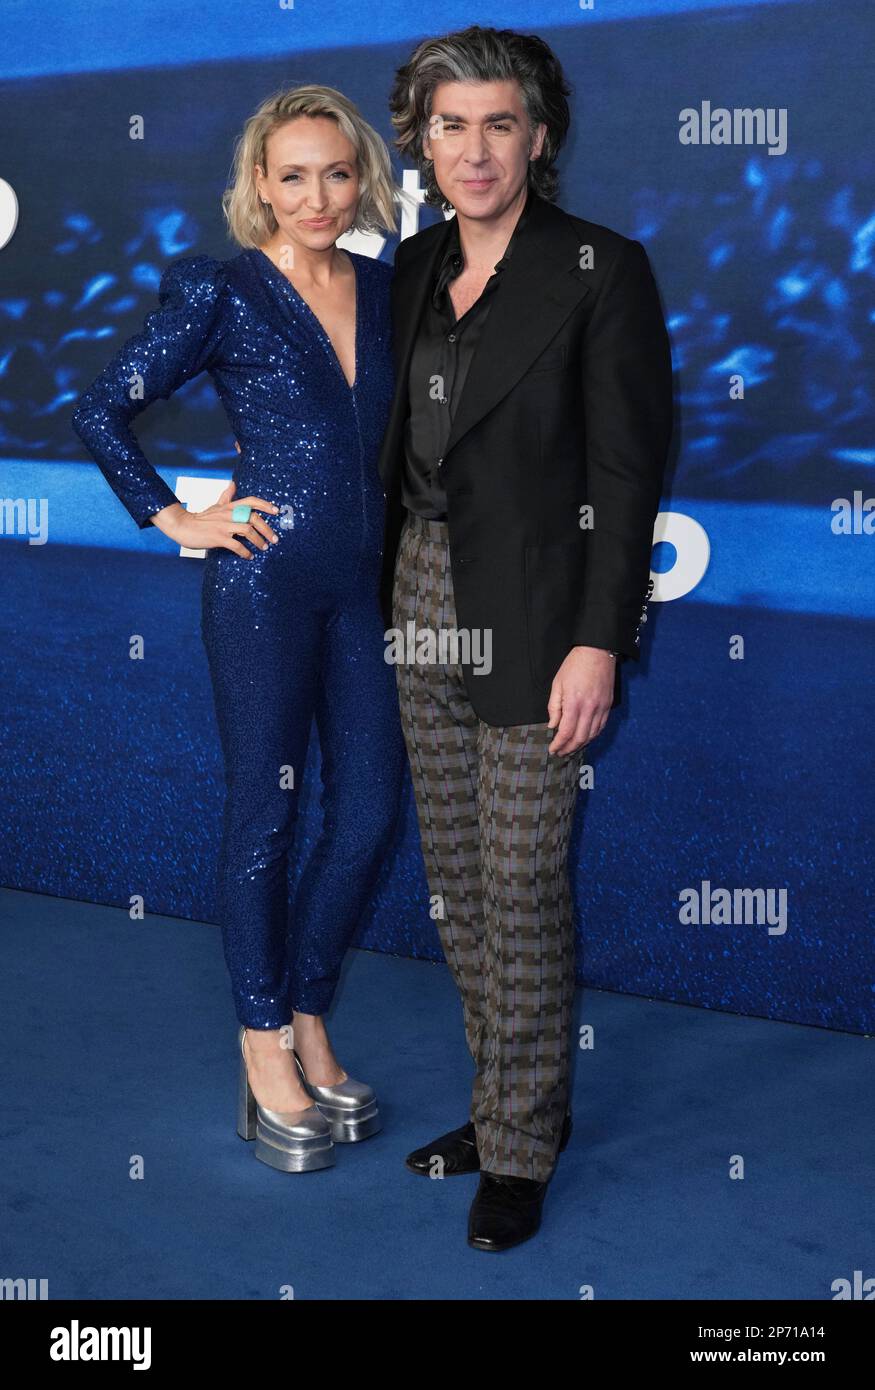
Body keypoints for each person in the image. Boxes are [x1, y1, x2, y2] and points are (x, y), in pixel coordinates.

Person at [72, 85, 407, 1174]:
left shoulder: (391, 290)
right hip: (260, 587)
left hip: (364, 590)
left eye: (335, 173)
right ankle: (261, 1044)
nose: (316, 195)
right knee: (265, 815)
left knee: (363, 814)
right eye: (292, 175)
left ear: (360, 178)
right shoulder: (219, 292)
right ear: (258, 185)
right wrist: (177, 517)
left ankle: (309, 1014)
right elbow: (100, 405)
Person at [379, 26, 673, 1249]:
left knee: (520, 878)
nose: (474, 149)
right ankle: (494, 1101)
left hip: (542, 616)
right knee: (456, 883)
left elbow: (627, 464)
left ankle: (519, 1142)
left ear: (539, 137)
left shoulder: (602, 268)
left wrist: (598, 639)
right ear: (423, 141)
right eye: (450, 126)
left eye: (499, 123)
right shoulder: (404, 266)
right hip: (415, 594)